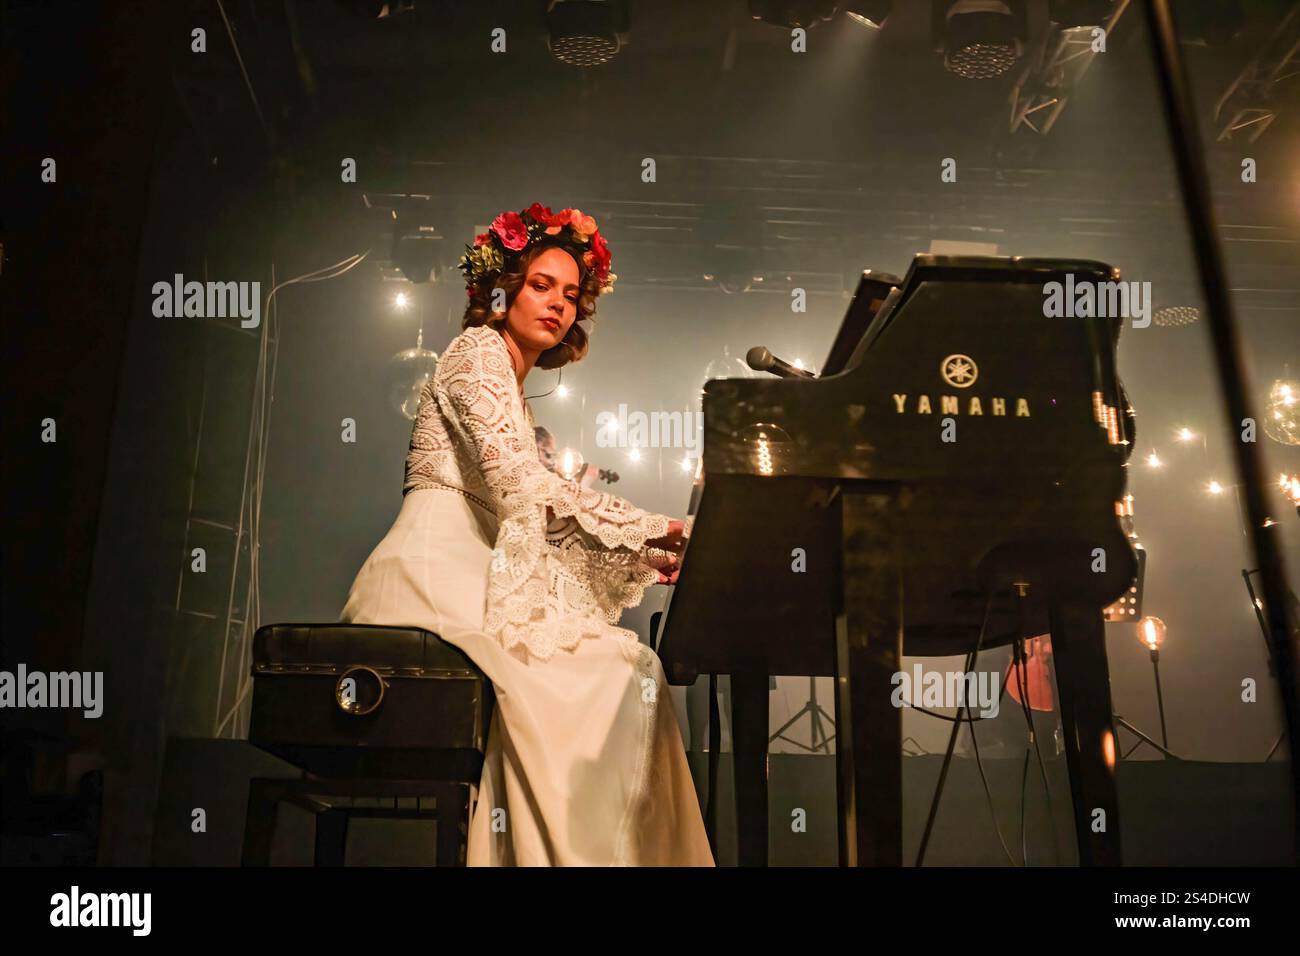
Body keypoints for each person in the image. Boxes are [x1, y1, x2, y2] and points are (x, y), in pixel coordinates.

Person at [340, 203, 715, 866]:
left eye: (571, 295)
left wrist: (649, 547)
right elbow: (524, 490)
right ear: (502, 288)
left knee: (632, 669)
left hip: (469, 569)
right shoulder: (477, 352)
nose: (558, 305)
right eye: (541, 285)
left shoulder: (511, 385)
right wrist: (654, 528)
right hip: (427, 574)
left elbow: (532, 519)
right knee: (610, 673)